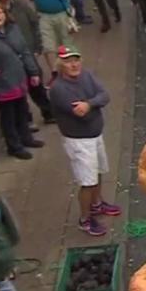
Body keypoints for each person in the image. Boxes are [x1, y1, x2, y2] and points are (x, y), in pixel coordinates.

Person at [48, 46, 121, 235]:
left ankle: (97, 204)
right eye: (68, 61)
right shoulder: (58, 89)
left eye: (76, 60)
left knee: (97, 172)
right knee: (87, 182)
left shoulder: (86, 75)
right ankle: (85, 219)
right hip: (79, 141)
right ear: (60, 65)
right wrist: (94, 104)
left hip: (95, 134)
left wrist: (89, 103)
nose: (73, 65)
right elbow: (82, 115)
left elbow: (105, 95)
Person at [0, 2, 44, 160]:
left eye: (0, 12)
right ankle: (14, 146)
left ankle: (26, 138)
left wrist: (33, 72)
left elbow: (25, 51)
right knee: (8, 117)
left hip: (18, 79)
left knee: (22, 111)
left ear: (5, 14)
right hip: (1, 83)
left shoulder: (13, 29)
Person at [0, 0, 54, 126]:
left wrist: (37, 46)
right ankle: (26, 121)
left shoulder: (20, 5)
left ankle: (48, 113)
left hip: (27, 53)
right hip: (7, 60)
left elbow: (35, 24)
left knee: (37, 85)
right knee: (18, 91)